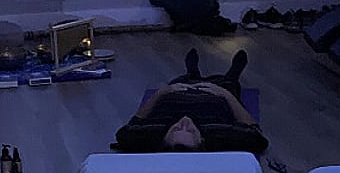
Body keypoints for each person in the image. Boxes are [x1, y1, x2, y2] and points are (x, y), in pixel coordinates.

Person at [112, 48, 269, 154]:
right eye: (191, 130)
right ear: (201, 138)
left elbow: (131, 125)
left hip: (177, 91)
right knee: (229, 83)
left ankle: (192, 71)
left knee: (183, 79)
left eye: (176, 129)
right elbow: (255, 133)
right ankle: (233, 73)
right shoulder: (219, 134)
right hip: (214, 94)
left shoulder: (151, 134)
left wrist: (161, 93)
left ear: (164, 137)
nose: (185, 122)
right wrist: (225, 94)